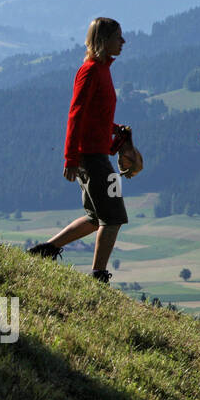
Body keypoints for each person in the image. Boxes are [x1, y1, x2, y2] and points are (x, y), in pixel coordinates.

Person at [28, 17, 131, 282]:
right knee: (114, 216)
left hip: (95, 153)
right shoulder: (91, 70)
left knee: (96, 217)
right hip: (92, 157)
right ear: (103, 40)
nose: (123, 42)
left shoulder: (102, 69)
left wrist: (114, 128)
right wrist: (70, 157)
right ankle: (98, 275)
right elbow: (76, 114)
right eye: (118, 37)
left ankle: (46, 249)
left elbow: (94, 114)